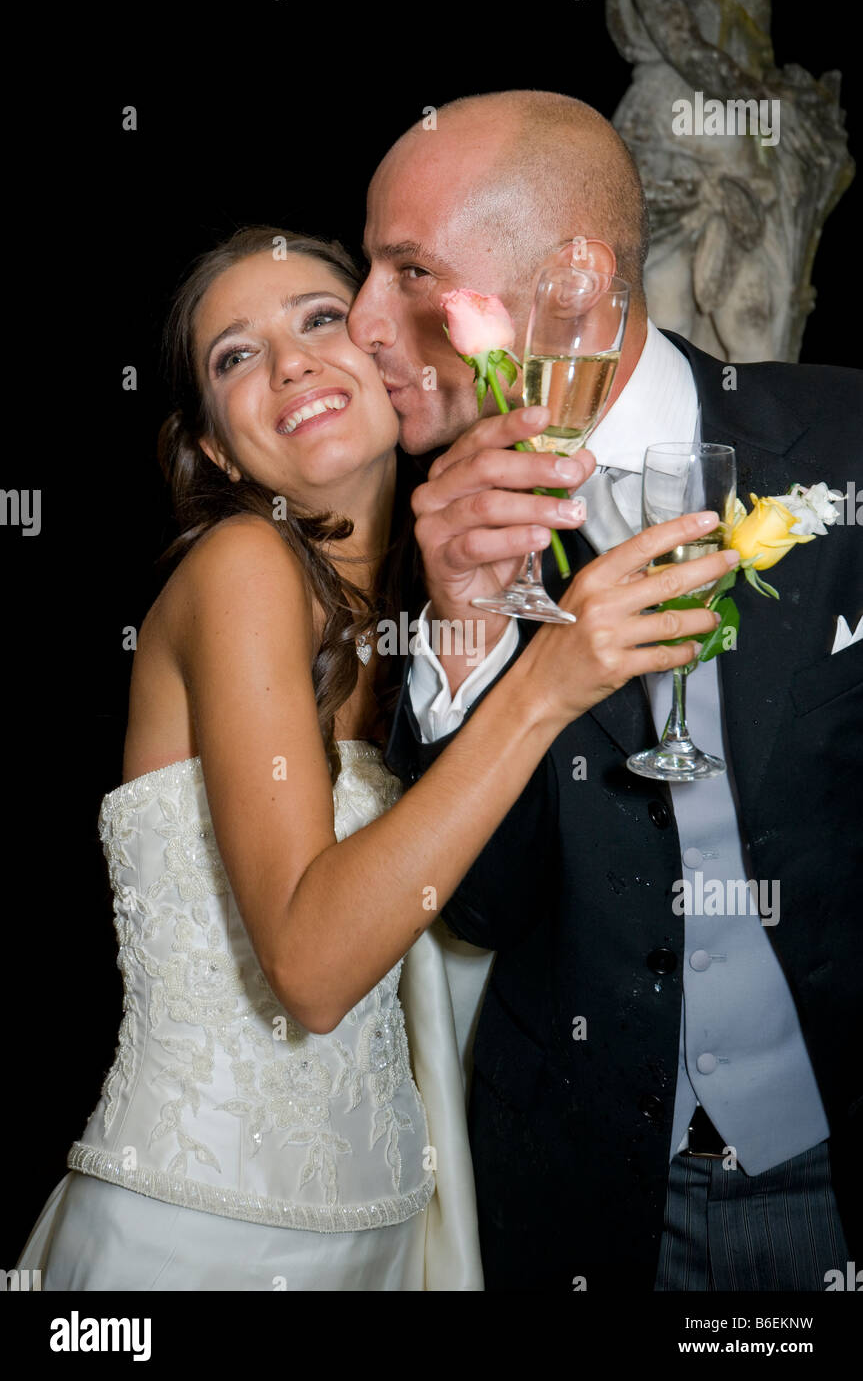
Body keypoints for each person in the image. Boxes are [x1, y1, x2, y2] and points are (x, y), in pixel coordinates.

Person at [14, 226, 727, 1291]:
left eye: (315, 320)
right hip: (200, 1233)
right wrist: (548, 684)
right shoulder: (242, 566)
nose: (290, 360)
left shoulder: (430, 613)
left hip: (389, 1230)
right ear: (214, 449)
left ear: (390, 360)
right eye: (234, 356)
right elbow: (307, 968)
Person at [348, 89, 863, 1292]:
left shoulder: (844, 442)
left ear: (573, 281)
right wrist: (467, 629)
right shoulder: (408, 544)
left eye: (407, 269)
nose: (365, 321)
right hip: (588, 1203)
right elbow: (478, 910)